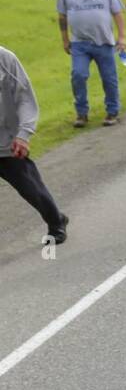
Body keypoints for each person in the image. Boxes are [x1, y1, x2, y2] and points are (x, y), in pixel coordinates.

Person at [1, 46, 68, 244]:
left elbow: (24, 97)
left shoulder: (5, 58)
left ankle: (56, 222)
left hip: (7, 142)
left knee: (30, 189)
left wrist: (24, 134)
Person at [57, 0, 126, 128]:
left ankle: (112, 111)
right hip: (79, 43)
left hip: (104, 42)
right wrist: (65, 39)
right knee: (78, 75)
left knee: (109, 78)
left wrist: (122, 37)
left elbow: (117, 12)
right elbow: (62, 16)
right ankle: (81, 113)